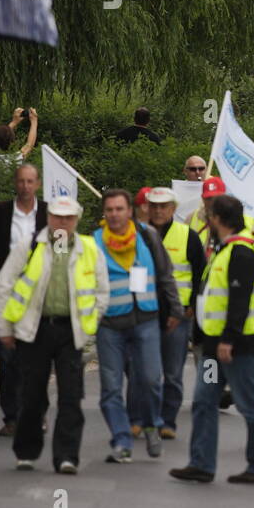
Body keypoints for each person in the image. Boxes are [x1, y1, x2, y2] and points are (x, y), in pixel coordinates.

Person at [0, 195, 108, 472]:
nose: (62, 222)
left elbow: (102, 291)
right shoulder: (31, 244)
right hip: (35, 329)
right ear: (48, 218)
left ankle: (67, 456)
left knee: (71, 396)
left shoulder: (89, 249)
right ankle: (26, 451)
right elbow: (5, 284)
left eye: (68, 218)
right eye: (57, 216)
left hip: (71, 331)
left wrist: (90, 324)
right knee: (32, 395)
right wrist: (4, 328)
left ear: (76, 220)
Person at [170, 194, 254, 483]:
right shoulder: (225, 249)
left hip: (236, 347)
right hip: (215, 347)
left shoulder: (240, 252)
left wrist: (228, 339)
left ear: (218, 220)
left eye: (209, 216)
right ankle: (201, 464)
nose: (206, 220)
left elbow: (239, 302)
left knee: (251, 405)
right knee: (204, 401)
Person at [92, 188, 181, 462]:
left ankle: (152, 423)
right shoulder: (93, 243)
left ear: (130, 211)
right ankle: (121, 440)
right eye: (110, 210)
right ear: (104, 214)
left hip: (145, 320)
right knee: (111, 387)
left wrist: (174, 308)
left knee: (151, 379)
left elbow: (165, 274)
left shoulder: (147, 236)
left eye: (120, 209)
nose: (115, 215)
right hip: (109, 324)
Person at [0, 163, 49, 436]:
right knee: (8, 358)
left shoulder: (50, 215)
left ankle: (37, 413)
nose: (25, 186)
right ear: (15, 183)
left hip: (40, 297)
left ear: (38, 184)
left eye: (30, 182)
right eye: (21, 181)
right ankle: (12, 417)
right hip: (6, 294)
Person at [144, 186, 206, 439]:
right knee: (146, 373)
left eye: (164, 206)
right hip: (144, 313)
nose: (159, 211)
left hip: (177, 316)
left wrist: (191, 306)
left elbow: (200, 273)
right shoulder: (137, 235)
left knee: (173, 372)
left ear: (173, 209)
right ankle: (145, 416)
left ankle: (167, 421)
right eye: (154, 206)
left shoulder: (187, 236)